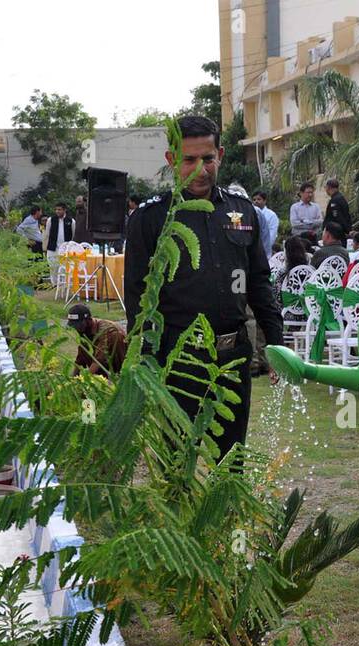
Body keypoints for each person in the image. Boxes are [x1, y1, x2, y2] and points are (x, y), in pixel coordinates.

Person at [124, 115, 282, 457]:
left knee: (231, 460)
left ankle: (227, 510)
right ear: (172, 160)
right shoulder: (150, 219)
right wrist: (147, 362)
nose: (200, 168)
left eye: (207, 159)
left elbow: (259, 283)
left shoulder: (243, 212)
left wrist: (277, 344)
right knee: (176, 461)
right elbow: (137, 299)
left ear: (220, 155)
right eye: (189, 160)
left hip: (233, 356)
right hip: (176, 361)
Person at [66, 304, 128, 377]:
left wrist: (85, 379)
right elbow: (81, 356)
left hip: (117, 365)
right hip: (103, 363)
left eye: (78, 326)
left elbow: (99, 359)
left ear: (88, 320)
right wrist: (73, 379)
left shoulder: (106, 330)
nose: (77, 329)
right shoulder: (84, 330)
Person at [44, 202, 74, 276]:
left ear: (64, 210)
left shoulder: (71, 221)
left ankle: (63, 286)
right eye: (56, 209)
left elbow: (73, 235)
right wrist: (45, 248)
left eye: (59, 209)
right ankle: (54, 286)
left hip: (65, 249)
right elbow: (47, 234)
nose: (57, 211)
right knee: (53, 269)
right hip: (52, 248)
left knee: (64, 269)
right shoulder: (50, 220)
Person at [253, 190, 279, 254]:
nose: (256, 201)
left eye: (259, 199)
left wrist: (264, 249)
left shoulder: (271, 215)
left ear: (265, 201)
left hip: (265, 250)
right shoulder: (249, 213)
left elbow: (272, 235)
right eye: (254, 200)